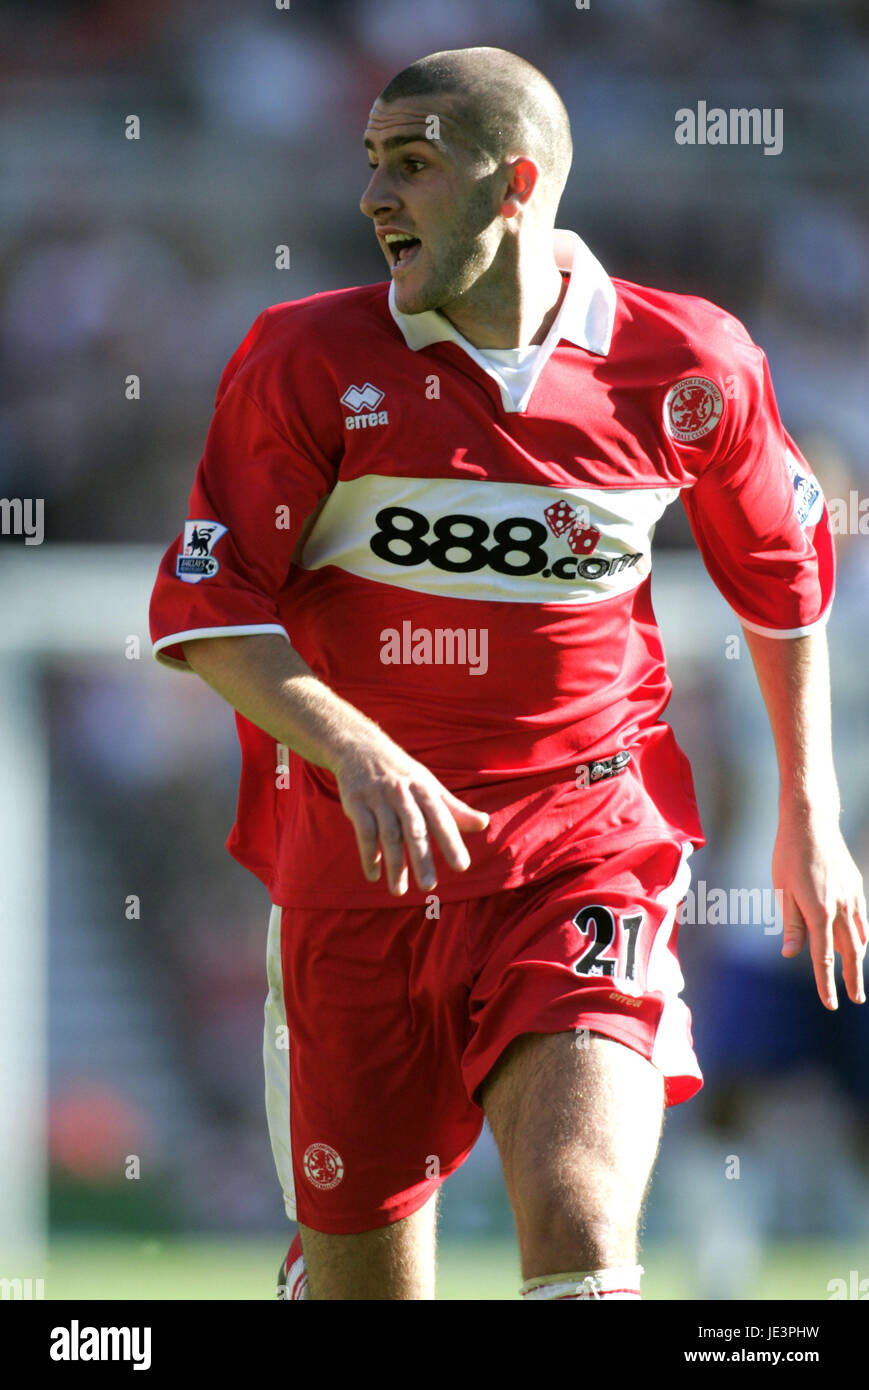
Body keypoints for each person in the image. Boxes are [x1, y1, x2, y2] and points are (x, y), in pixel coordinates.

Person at [149, 46, 866, 1301]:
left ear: (517, 184)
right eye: (370, 163)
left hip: (583, 845)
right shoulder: (304, 360)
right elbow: (210, 608)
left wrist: (809, 811)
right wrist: (358, 747)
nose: (375, 195)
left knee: (584, 1227)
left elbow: (783, 571)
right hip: (359, 874)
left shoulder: (685, 364)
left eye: (412, 165)